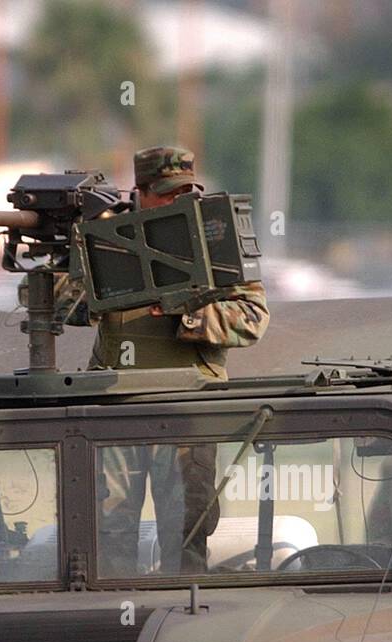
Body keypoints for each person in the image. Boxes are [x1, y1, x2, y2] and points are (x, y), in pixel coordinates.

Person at [74, 146, 270, 577]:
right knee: (107, 533)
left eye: (186, 190)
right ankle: (116, 622)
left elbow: (253, 319)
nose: (179, 201)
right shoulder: (106, 236)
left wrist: (188, 313)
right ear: (140, 192)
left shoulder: (216, 236)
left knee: (186, 533)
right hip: (116, 407)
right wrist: (94, 288)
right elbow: (62, 302)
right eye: (166, 193)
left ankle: (180, 628)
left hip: (186, 411)